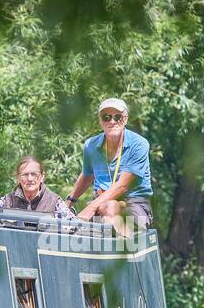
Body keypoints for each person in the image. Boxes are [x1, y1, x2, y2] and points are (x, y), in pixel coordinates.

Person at [66, 97, 153, 233]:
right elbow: (87, 175)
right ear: (100, 121)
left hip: (133, 202)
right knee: (70, 228)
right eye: (106, 117)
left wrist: (91, 208)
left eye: (117, 117)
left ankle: (119, 248)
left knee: (110, 208)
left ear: (125, 119)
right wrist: (68, 203)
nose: (112, 122)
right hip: (102, 202)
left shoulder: (139, 145)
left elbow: (122, 186)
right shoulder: (91, 145)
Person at [0, 155, 76, 218]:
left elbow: (73, 226)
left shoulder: (55, 202)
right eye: (25, 175)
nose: (30, 178)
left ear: (42, 177)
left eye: (34, 174)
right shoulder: (7, 201)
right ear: (18, 178)